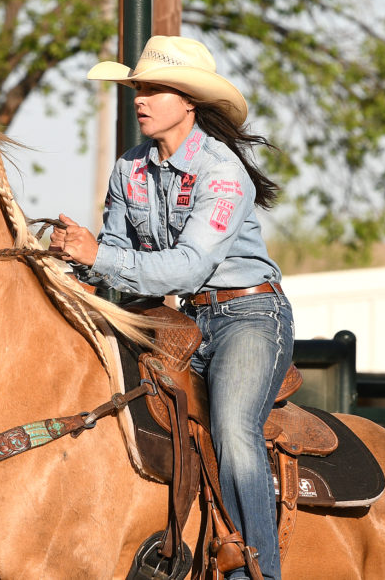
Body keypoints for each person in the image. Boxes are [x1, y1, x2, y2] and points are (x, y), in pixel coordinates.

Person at [50, 35, 293, 580]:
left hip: (249, 317)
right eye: (137, 88)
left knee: (233, 429)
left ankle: (258, 571)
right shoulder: (128, 169)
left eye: (154, 88)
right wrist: (73, 257)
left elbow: (186, 268)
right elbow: (112, 258)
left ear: (188, 101)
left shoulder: (222, 171)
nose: (140, 98)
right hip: (179, 322)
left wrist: (100, 255)